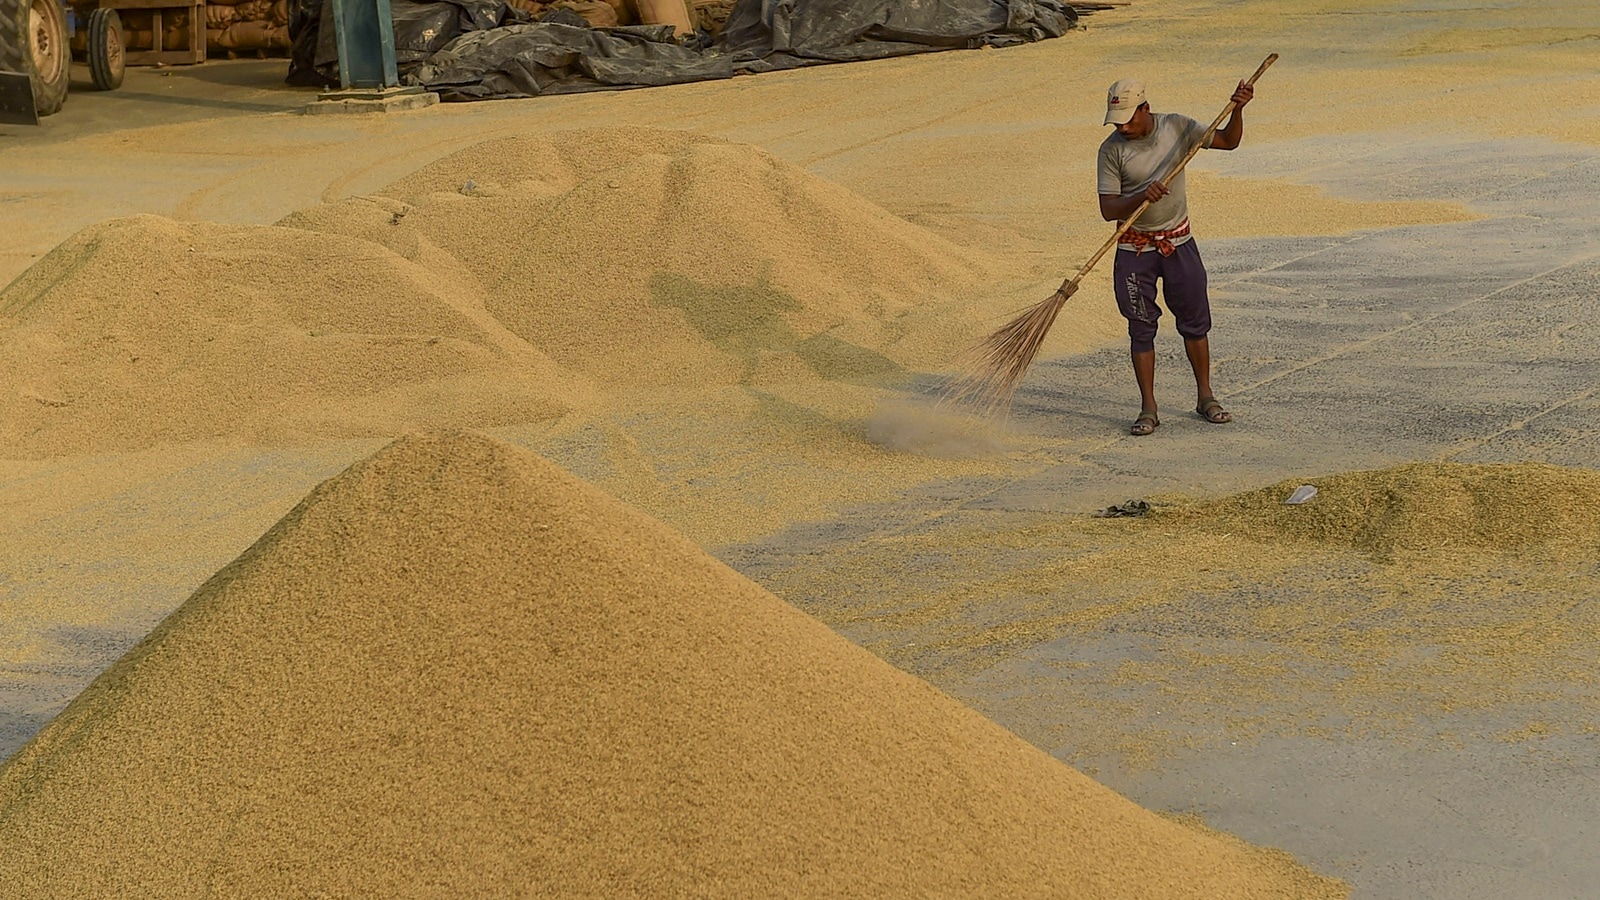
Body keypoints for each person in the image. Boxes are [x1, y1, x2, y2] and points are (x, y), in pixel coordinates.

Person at [1097, 76, 1253, 435]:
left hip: (1178, 243)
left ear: (1145, 108)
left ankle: (1205, 397)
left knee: (1195, 323)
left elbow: (1228, 141)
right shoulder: (1110, 151)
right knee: (1141, 328)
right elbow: (1108, 210)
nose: (1123, 127)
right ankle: (1148, 408)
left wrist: (1239, 109)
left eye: (1128, 119)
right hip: (1135, 249)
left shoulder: (1177, 127)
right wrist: (1141, 196)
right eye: (1117, 122)